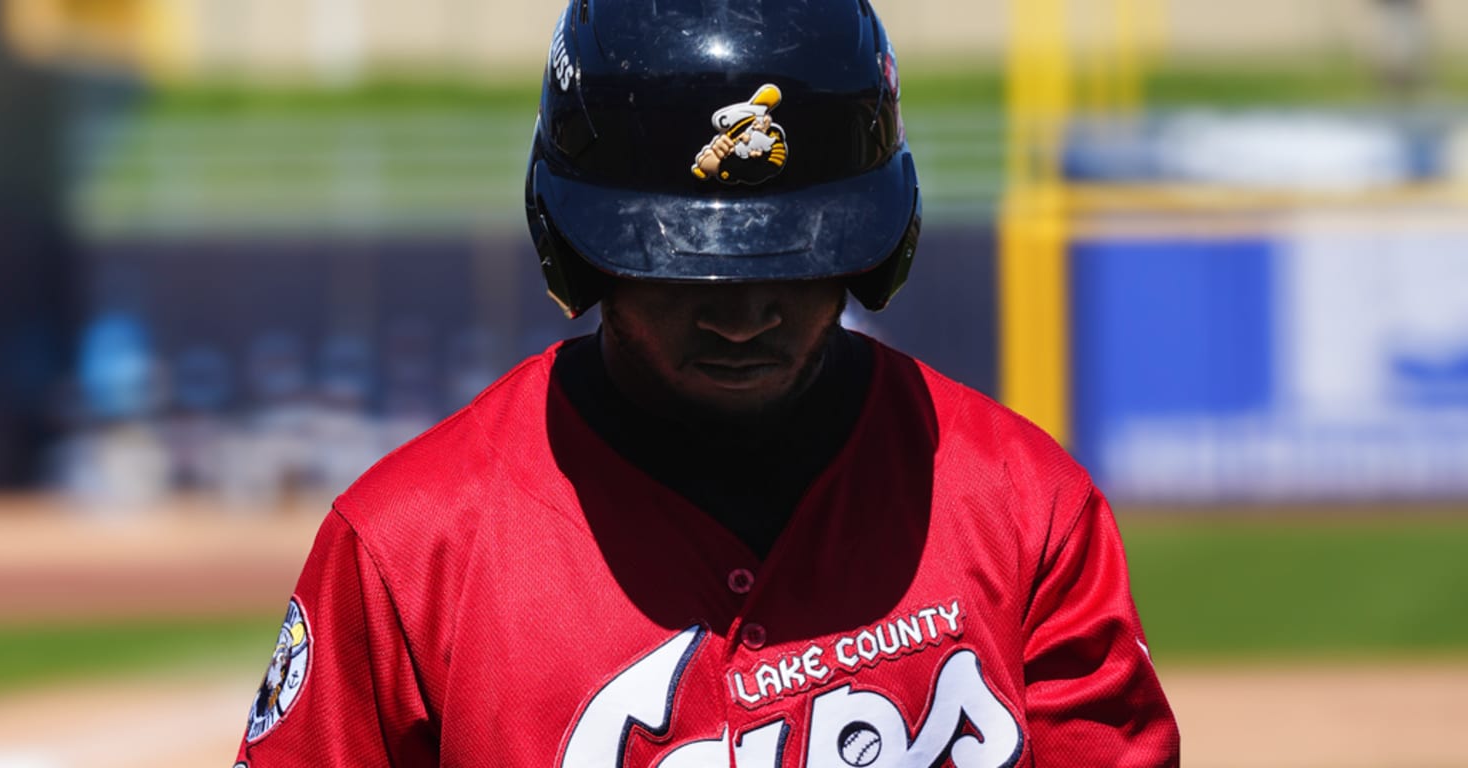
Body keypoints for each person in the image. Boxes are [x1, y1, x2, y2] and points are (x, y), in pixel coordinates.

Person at [233, 0, 1180, 765]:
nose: (742, 316)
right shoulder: (410, 549)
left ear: (871, 243)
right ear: (580, 245)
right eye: (682, 268)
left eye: (797, 262)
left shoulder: (1022, 508)